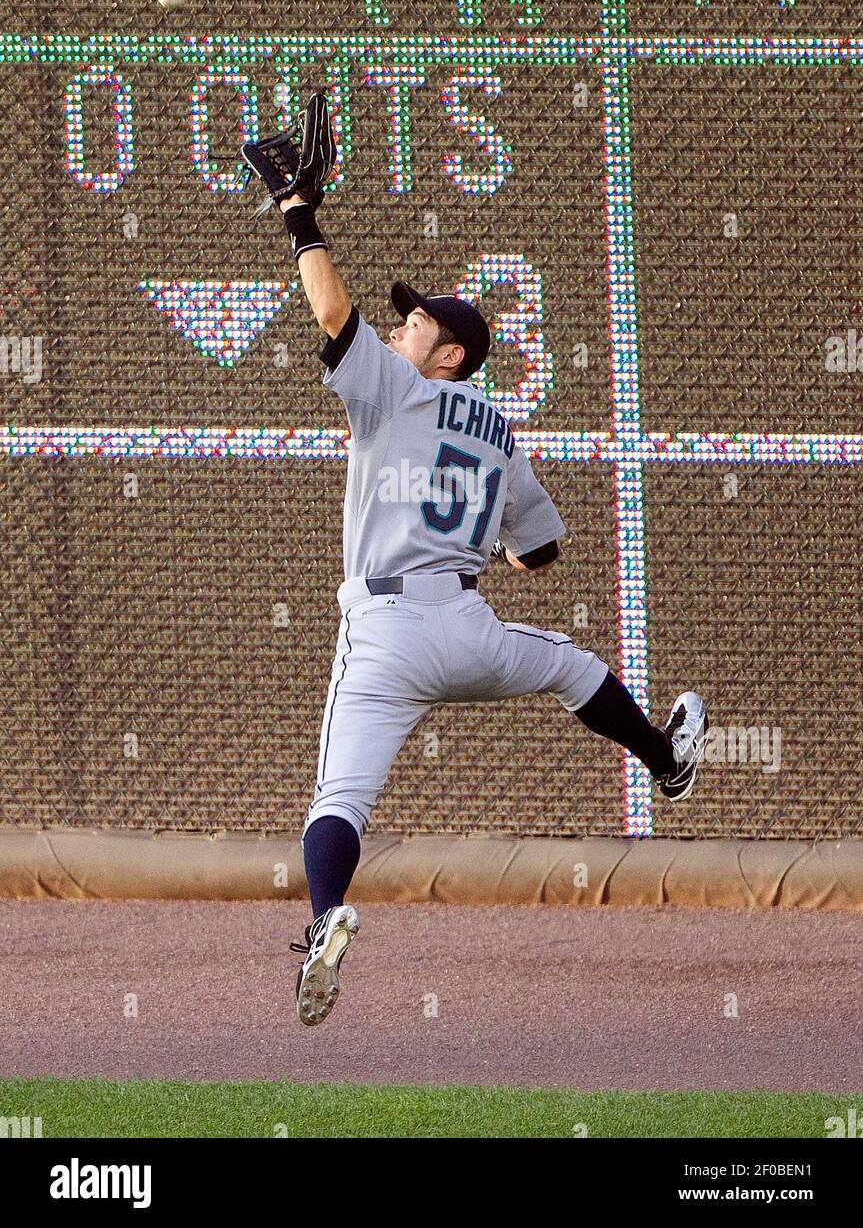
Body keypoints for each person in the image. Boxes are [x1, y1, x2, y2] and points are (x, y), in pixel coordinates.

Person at [242, 94, 708, 1028]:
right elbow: (539, 550)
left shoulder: (394, 389)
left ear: (447, 354)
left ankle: (327, 918)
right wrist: (485, 531)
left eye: (415, 325)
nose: (399, 328)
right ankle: (664, 760)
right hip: (468, 627)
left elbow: (330, 308)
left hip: (381, 632)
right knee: (573, 666)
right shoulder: (499, 431)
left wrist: (299, 208)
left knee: (339, 799)